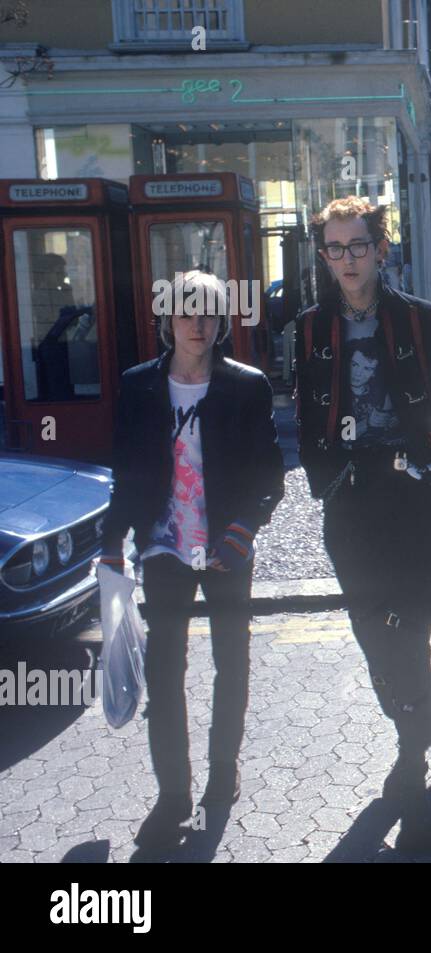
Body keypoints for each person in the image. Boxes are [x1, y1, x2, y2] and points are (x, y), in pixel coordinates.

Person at [295, 196, 431, 854]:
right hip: (349, 506)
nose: (347, 258)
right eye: (335, 248)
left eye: (358, 245)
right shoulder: (310, 328)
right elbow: (305, 414)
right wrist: (323, 479)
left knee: (411, 635)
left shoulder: (424, 321)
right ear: (324, 254)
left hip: (411, 504)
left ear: (381, 247)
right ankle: (413, 735)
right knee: (374, 637)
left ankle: (414, 767)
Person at [100, 269, 284, 852]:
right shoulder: (138, 386)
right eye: (185, 312)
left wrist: (242, 530)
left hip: (226, 548)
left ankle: (222, 771)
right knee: (165, 671)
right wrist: (111, 542)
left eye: (208, 312)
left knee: (232, 663)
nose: (197, 324)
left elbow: (269, 477)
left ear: (222, 320)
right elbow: (126, 474)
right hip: (164, 546)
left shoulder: (246, 386)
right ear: (166, 321)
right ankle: (173, 793)